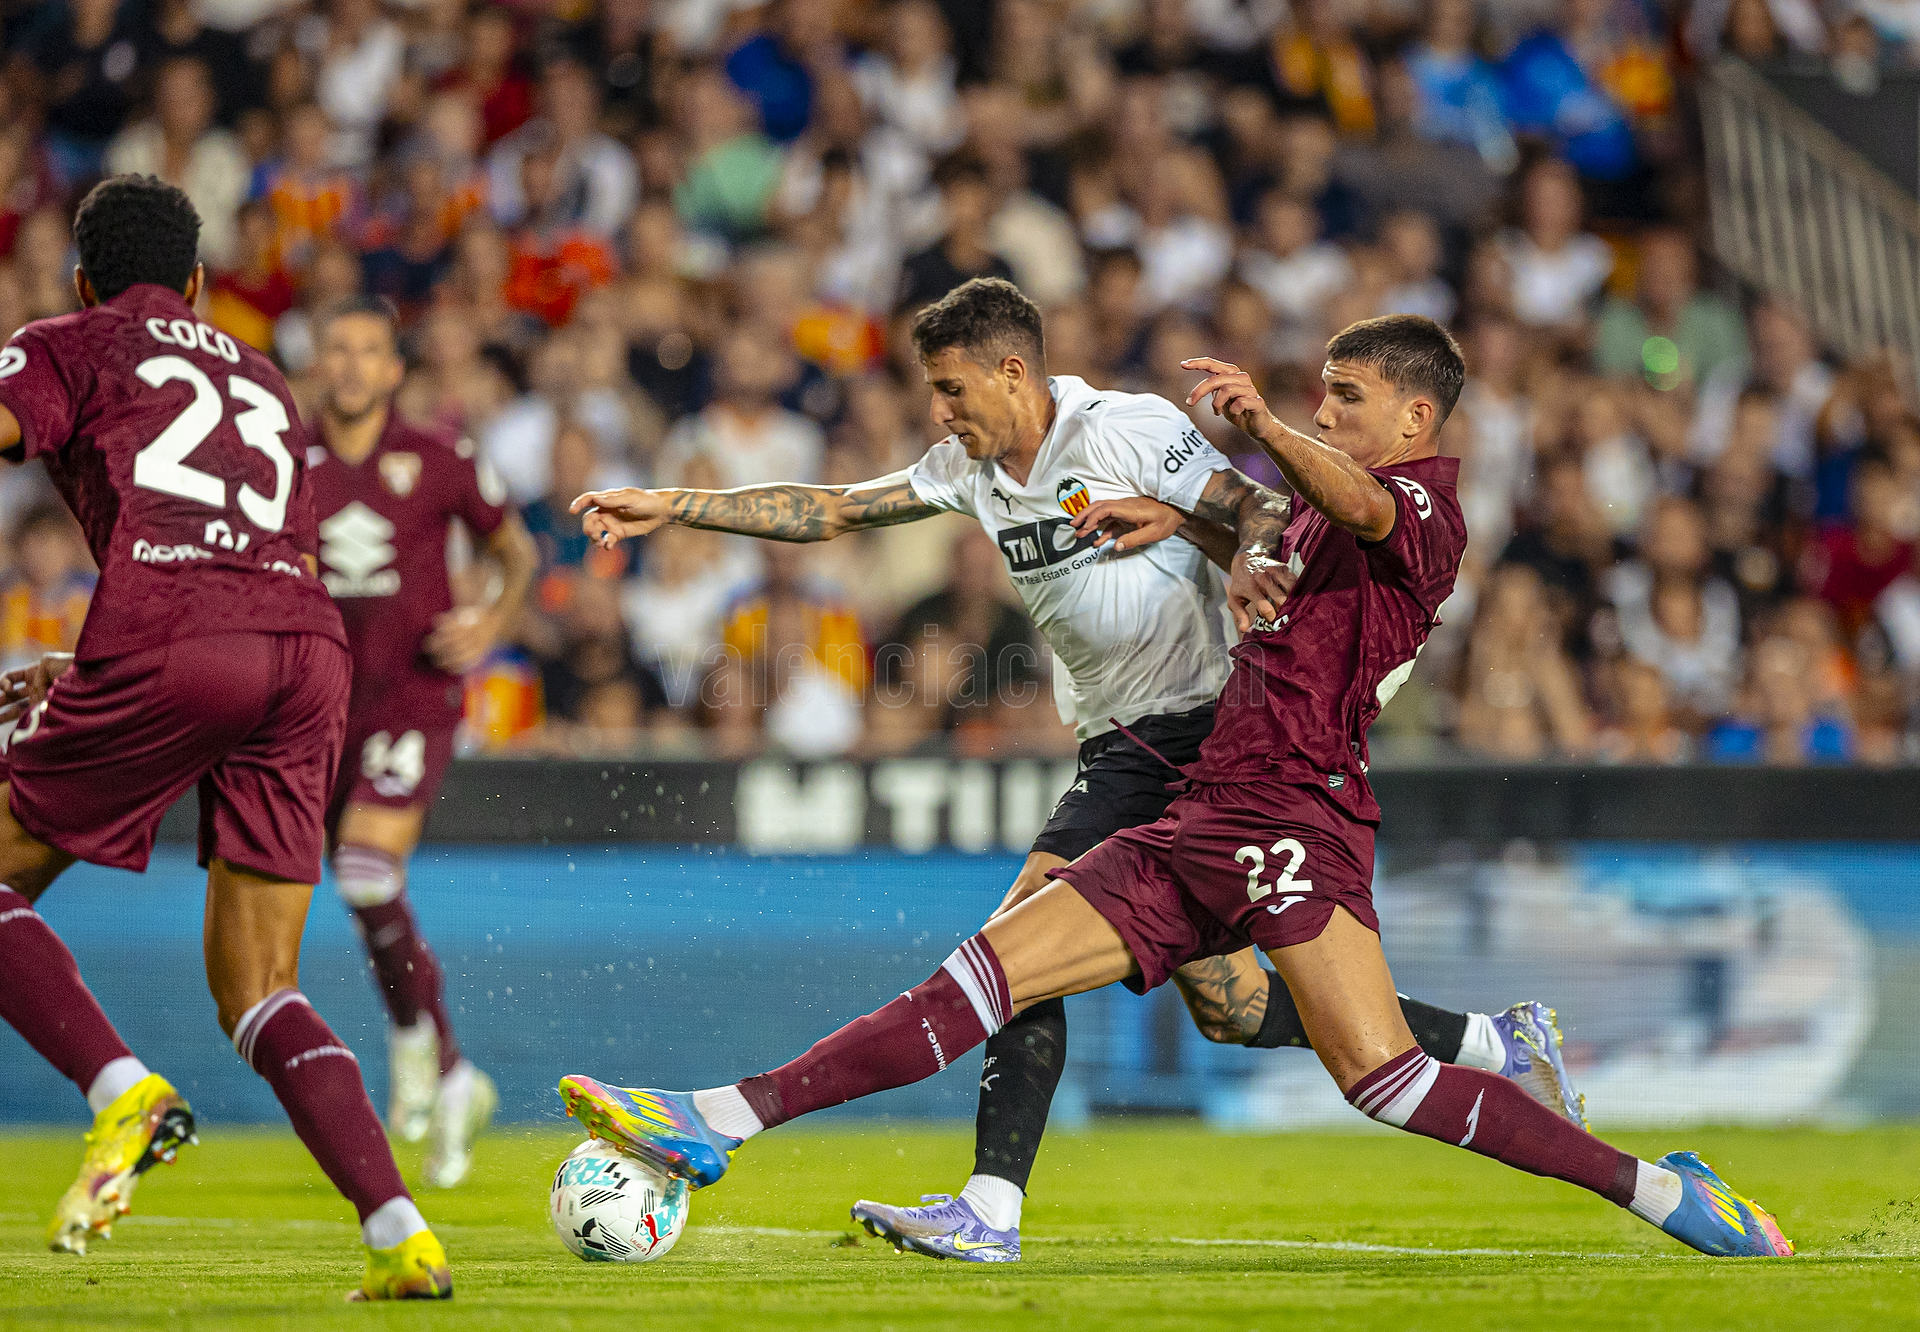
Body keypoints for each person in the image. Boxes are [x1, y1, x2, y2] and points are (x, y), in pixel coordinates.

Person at [557, 313, 1796, 1263]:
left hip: (1284, 805)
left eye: (1347, 397)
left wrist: (1255, 436)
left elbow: (1338, 501)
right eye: (1321, 392)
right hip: (1196, 803)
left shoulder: (1422, 505)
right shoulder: (1252, 506)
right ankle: (717, 1120)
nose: (1327, 410)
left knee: (1382, 1082)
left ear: (1415, 415)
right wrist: (1188, 527)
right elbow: (1263, 530)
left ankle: (1661, 1191)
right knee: (1013, 979)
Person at [0, 175, 452, 1296]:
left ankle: (123, 1092)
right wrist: (102, 663)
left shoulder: (65, 340)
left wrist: (131, 655)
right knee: (259, 987)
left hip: (177, 635)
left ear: (82, 280)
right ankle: (401, 1234)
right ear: (198, 282)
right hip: (303, 648)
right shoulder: (260, 373)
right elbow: (240, 557)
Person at [306, 295, 537, 1187]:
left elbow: (516, 553)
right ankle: (446, 1065)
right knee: (356, 890)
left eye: (369, 349)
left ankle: (415, 1043)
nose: (353, 364)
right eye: (339, 347)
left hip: (414, 697)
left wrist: (488, 624)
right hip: (315, 707)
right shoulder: (285, 461)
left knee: (367, 870)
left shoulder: (439, 456)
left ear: (394, 369)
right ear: (320, 362)